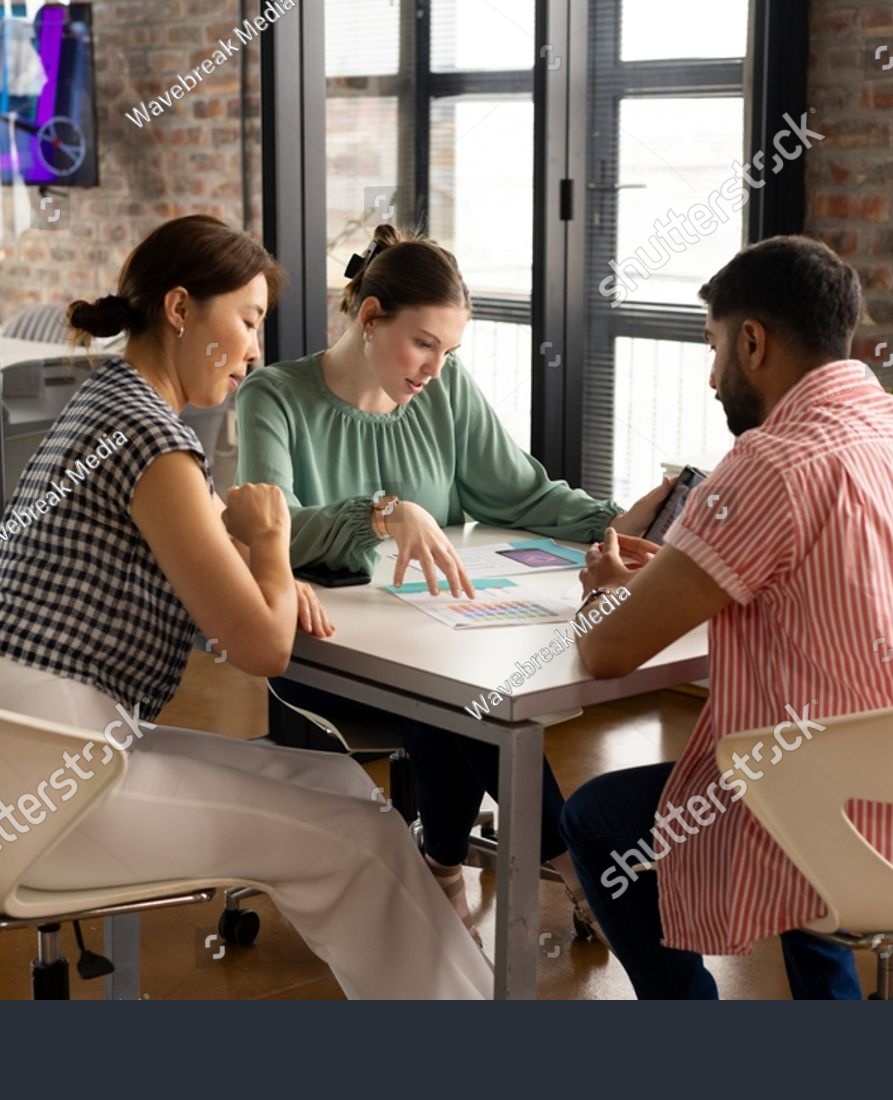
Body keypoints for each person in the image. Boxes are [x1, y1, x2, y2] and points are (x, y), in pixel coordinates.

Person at [0, 215, 493, 1000]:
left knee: (345, 790)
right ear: (180, 310)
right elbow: (263, 649)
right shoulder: (153, 443)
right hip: (47, 776)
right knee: (359, 836)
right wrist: (270, 546)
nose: (255, 350)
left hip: (11, 751)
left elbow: (219, 573)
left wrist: (259, 571)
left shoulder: (112, 407)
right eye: (247, 320)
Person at [559, 235, 893, 999]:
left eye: (713, 346)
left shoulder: (770, 461)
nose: (711, 376)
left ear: (752, 342)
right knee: (799, 754)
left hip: (859, 828)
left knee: (595, 819)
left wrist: (606, 589)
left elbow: (608, 653)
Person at [234, 224, 673, 942]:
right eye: (423, 344)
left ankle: (441, 861)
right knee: (464, 701)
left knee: (467, 691)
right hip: (322, 648)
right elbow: (271, 530)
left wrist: (616, 523)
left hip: (436, 637)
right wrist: (382, 513)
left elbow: (520, 493)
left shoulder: (444, 392)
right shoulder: (273, 397)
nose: (435, 370)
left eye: (449, 352)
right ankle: (573, 865)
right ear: (369, 317)